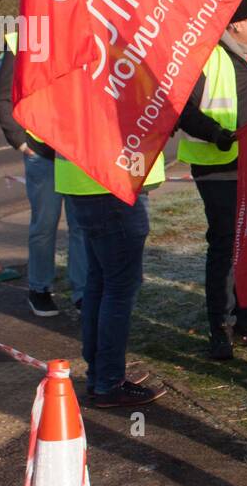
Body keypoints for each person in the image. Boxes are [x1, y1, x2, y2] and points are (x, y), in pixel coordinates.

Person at [175, 0, 247, 360]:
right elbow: (181, 111)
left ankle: (245, 323)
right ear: (235, 23)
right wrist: (216, 135)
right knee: (226, 245)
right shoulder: (205, 56)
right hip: (218, 167)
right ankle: (219, 328)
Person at [55, 145, 168, 409]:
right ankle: (108, 381)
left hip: (85, 181)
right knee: (118, 287)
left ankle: (100, 375)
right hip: (114, 180)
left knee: (99, 282)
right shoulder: (104, 100)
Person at [0, 32, 87, 318]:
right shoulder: (21, 39)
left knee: (80, 227)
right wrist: (20, 141)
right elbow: (3, 97)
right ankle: (40, 288)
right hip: (41, 152)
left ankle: (82, 292)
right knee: (44, 226)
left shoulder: (80, 30)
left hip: (77, 150)